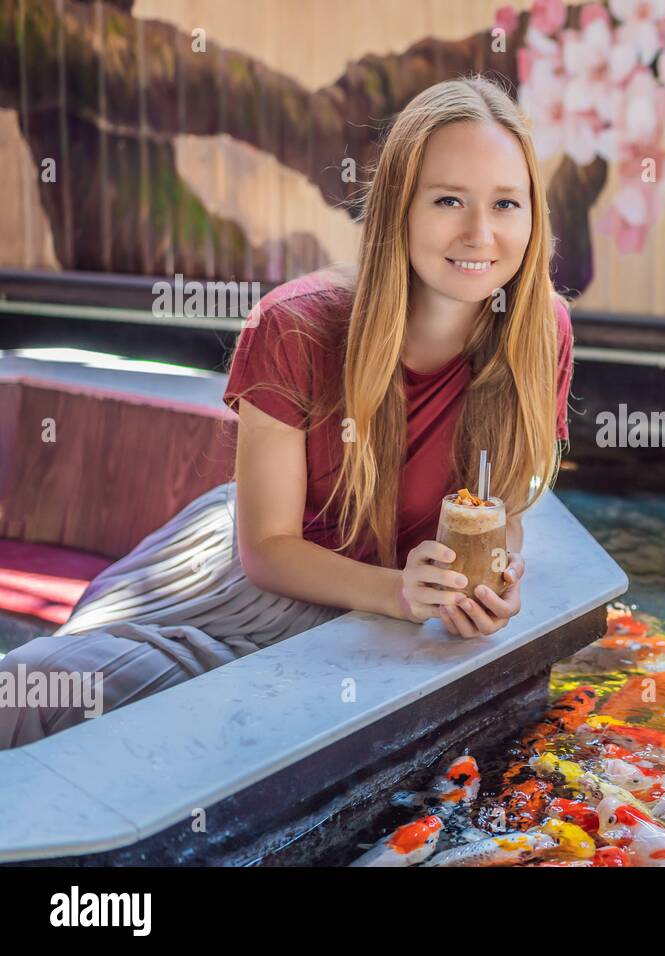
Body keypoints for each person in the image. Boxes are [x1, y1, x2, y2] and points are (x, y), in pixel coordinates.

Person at [0, 75, 575, 749]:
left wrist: (488, 591)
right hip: (232, 595)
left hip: (370, 622)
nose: (481, 232)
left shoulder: (542, 333)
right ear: (400, 209)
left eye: (506, 203)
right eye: (449, 199)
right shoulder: (294, 327)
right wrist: (398, 593)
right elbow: (266, 549)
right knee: (30, 693)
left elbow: (501, 514)